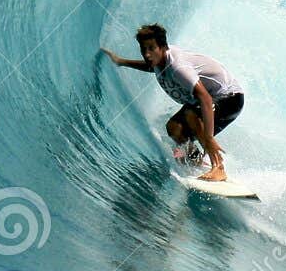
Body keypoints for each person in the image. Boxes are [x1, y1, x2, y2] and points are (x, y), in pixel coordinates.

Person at [101, 23, 245, 182]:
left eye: (151, 48)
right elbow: (152, 67)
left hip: (230, 98)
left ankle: (218, 168)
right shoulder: (159, 60)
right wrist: (122, 61)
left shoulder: (178, 67)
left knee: (192, 115)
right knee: (174, 128)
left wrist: (209, 138)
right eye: (143, 49)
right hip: (212, 99)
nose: (147, 54)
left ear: (163, 47)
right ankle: (197, 162)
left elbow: (205, 98)